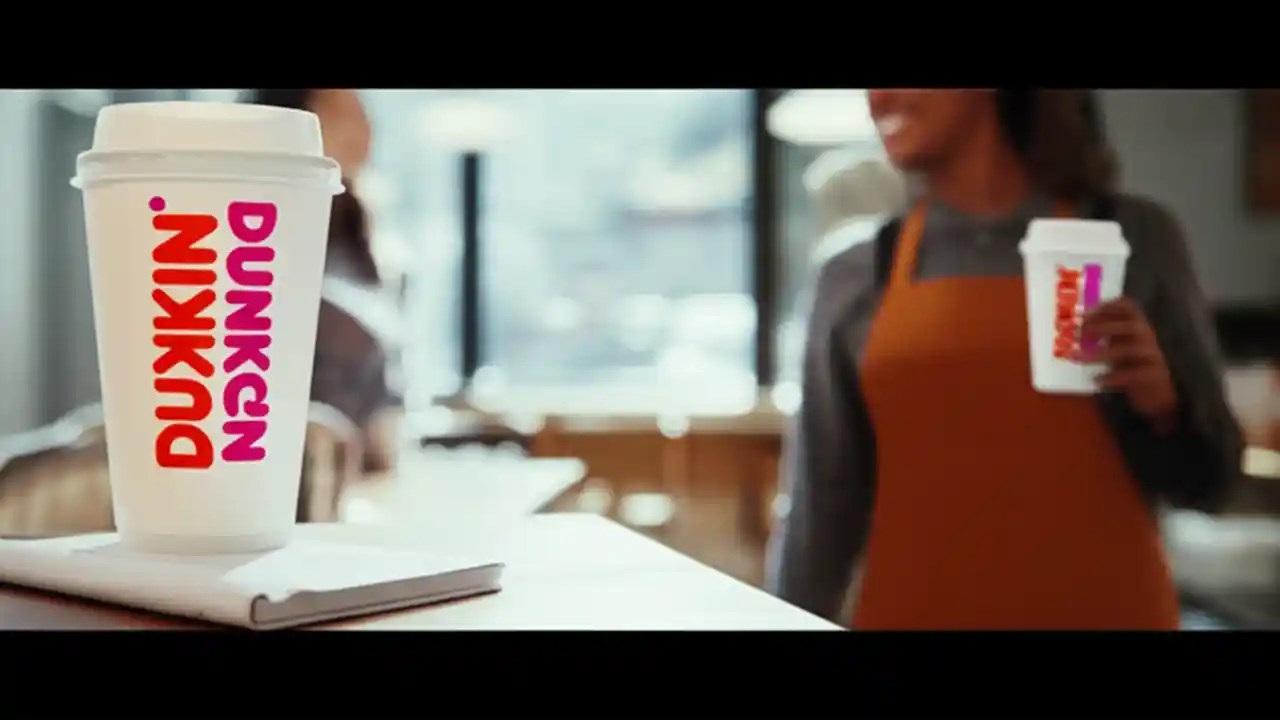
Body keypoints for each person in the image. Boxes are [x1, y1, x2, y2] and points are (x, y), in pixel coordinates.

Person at [764, 89, 1243, 630]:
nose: (879, 95)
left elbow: (1215, 483)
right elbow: (819, 518)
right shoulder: (856, 275)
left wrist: (1164, 410)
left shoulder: (1130, 239)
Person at [245, 89, 403, 469]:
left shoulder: (355, 232)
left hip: (368, 466)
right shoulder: (258, 232)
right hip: (288, 466)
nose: (366, 129)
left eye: (364, 113)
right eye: (343, 113)